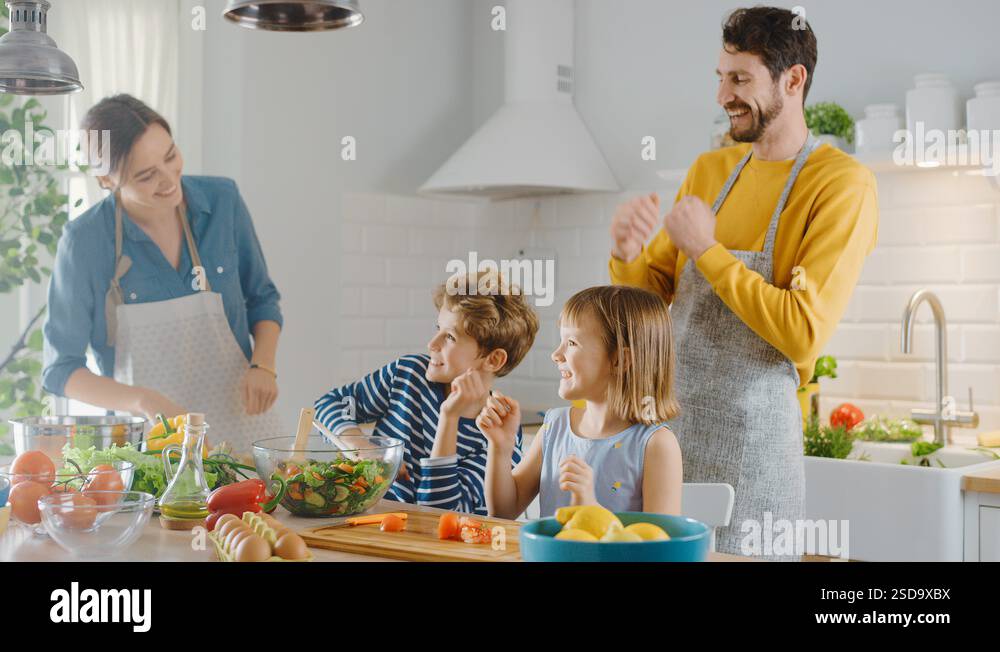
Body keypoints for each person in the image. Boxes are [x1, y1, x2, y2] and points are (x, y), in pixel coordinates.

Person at [608, 7, 878, 557]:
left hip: (755, 460)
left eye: (740, 79)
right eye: (720, 78)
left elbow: (801, 332)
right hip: (666, 442)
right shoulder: (710, 172)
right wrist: (626, 255)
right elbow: (649, 307)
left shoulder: (842, 184)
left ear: (793, 79)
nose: (723, 96)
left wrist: (707, 250)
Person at [42, 94, 284, 454]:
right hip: (150, 446)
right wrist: (146, 401)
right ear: (106, 179)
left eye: (171, 156)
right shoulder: (85, 241)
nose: (170, 180)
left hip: (242, 429)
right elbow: (61, 370)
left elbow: (262, 299)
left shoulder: (222, 200)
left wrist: (263, 365)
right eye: (146, 175)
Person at [314, 270, 539, 515]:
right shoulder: (408, 374)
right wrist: (359, 445)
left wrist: (448, 418)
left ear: (493, 359)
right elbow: (329, 403)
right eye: (437, 327)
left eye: (450, 336)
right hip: (371, 526)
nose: (432, 344)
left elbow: (440, 514)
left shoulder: (499, 431)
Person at [479, 286, 683, 520]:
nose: (556, 354)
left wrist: (590, 508)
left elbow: (660, 548)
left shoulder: (656, 445)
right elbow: (504, 511)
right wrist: (500, 449)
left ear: (620, 360)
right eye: (561, 341)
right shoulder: (554, 426)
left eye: (572, 343)